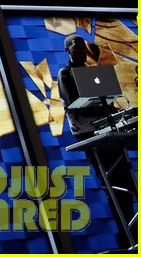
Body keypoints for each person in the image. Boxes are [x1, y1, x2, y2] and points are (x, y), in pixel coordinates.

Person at [57, 33, 137, 248]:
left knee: (127, 183)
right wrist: (101, 105)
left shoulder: (94, 74)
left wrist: (114, 108)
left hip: (109, 132)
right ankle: (126, 235)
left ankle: (133, 234)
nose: (81, 49)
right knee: (112, 184)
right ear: (68, 50)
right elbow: (73, 102)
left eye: (84, 46)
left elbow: (107, 103)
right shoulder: (65, 73)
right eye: (76, 46)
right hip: (90, 134)